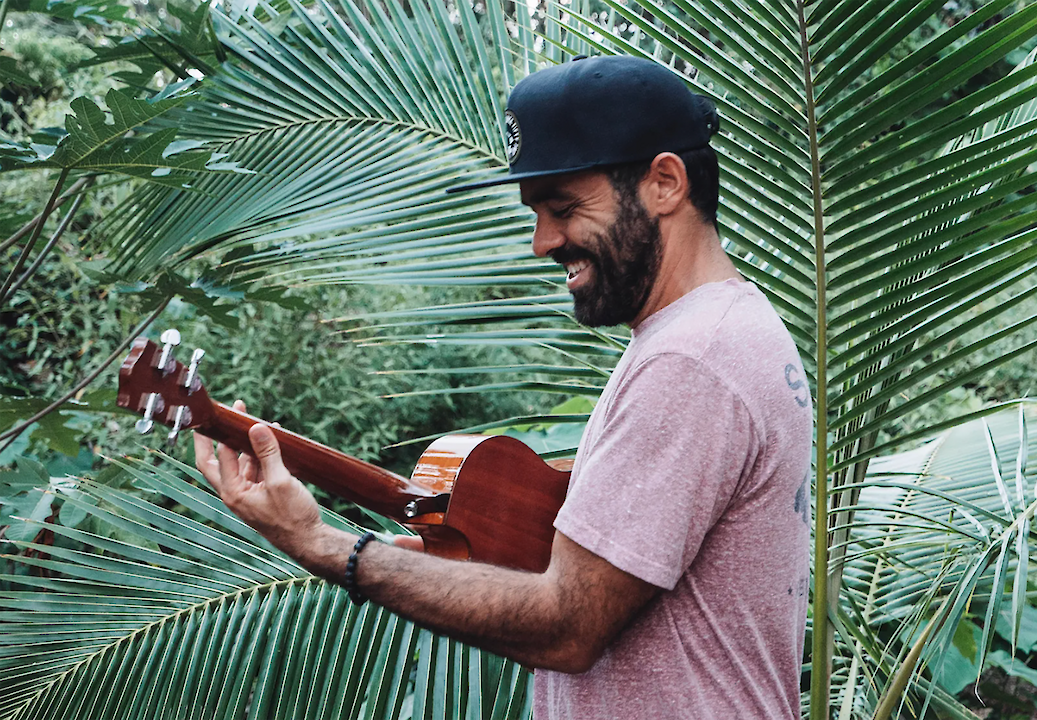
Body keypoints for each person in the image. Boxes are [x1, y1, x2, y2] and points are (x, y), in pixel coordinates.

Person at [194, 55, 813, 719]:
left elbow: (568, 625)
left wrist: (324, 546)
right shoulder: (724, 327)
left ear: (665, 182)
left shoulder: (691, 359)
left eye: (565, 207)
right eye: (536, 212)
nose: (542, 241)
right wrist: (448, 566)